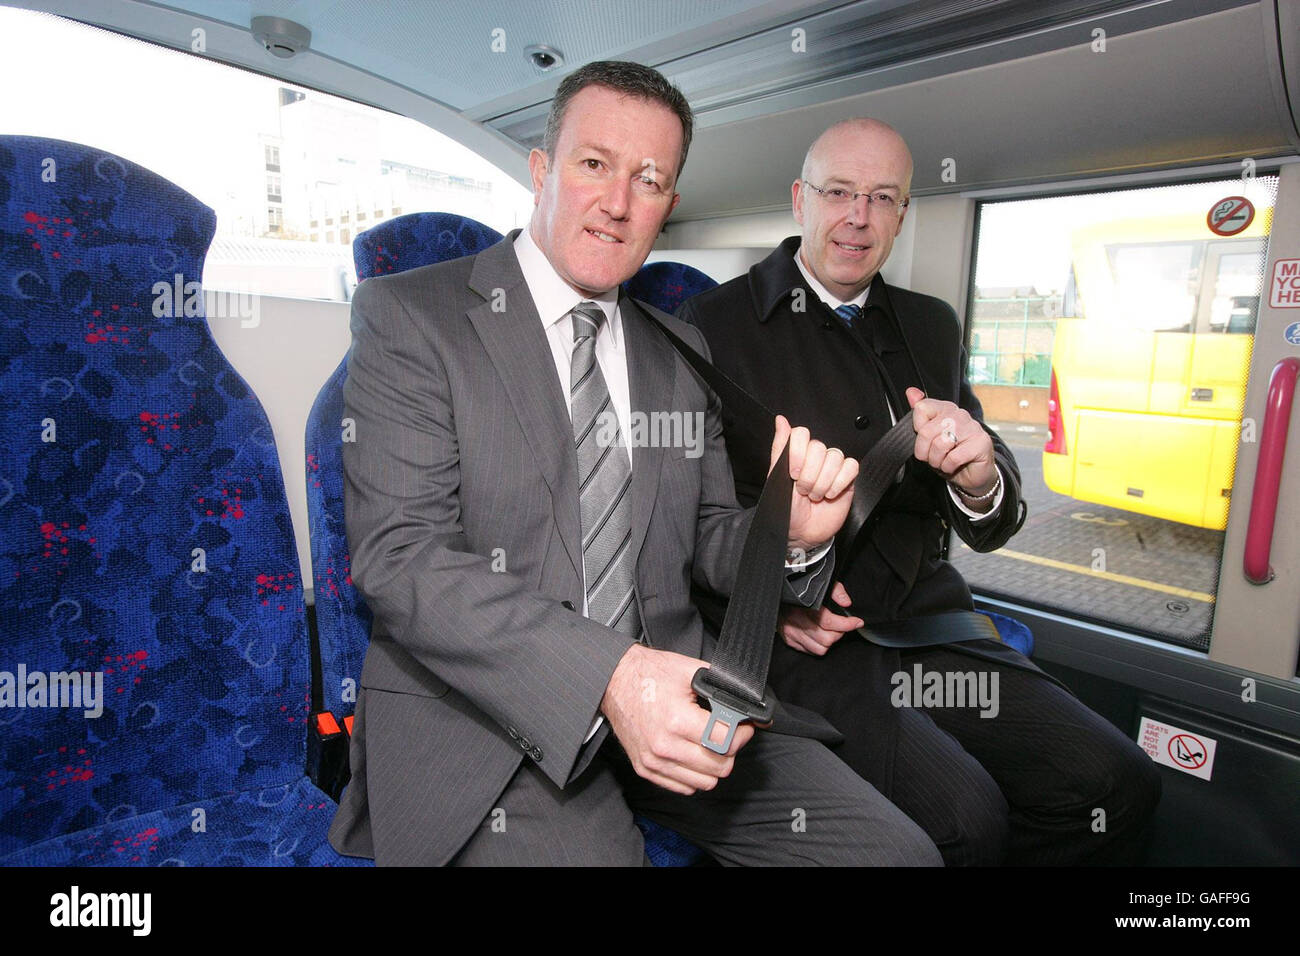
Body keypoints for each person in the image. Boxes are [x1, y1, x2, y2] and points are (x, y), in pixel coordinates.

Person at [327, 66, 944, 866]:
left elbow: (710, 535)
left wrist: (788, 536)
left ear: (668, 205)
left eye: (649, 179)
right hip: (490, 716)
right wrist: (611, 678)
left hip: (683, 690)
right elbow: (400, 558)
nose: (619, 202)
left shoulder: (679, 347)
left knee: (898, 856)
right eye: (594, 164)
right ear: (542, 170)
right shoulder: (412, 315)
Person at [677, 118, 1161, 865]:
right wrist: (769, 607)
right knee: (967, 819)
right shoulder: (710, 324)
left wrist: (977, 477)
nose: (858, 217)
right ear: (802, 199)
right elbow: (677, 520)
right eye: (839, 192)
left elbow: (989, 511)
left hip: (928, 630)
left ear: (903, 214)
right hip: (808, 649)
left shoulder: (931, 326)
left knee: (1114, 781)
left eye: (883, 197)